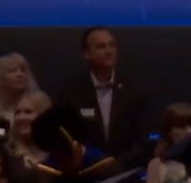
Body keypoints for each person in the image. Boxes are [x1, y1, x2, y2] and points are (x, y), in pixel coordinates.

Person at [58, 27, 148, 165]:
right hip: (85, 174)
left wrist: (116, 163)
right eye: (101, 47)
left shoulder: (134, 90)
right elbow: (68, 139)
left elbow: (142, 140)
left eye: (111, 45)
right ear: (86, 53)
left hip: (125, 172)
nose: (108, 51)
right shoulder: (71, 92)